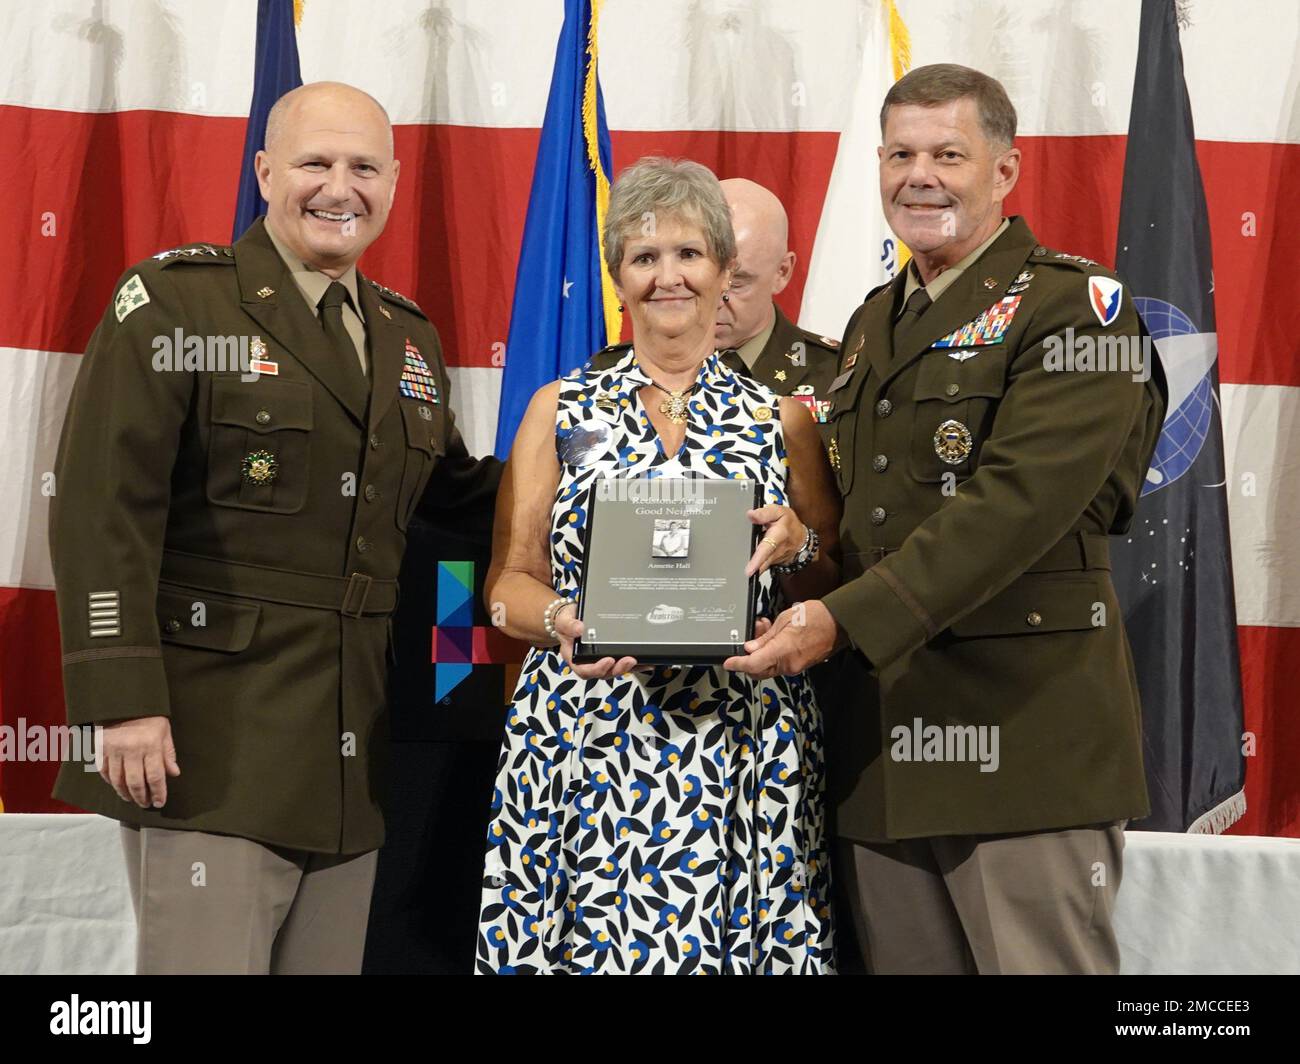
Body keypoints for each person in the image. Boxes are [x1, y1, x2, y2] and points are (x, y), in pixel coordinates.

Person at [49, 81, 500, 974]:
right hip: (212, 743)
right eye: (315, 163)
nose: (341, 187)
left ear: (395, 183)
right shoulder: (180, 306)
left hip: (352, 752)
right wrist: (122, 699)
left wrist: (601, 476)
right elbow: (103, 506)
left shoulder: (406, 338)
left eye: (365, 167)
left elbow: (450, 503)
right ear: (264, 172)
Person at [726, 64, 1167, 974]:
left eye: (948, 154)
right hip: (884, 745)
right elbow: (866, 518)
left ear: (1004, 171)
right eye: (899, 154)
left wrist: (840, 617)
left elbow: (1016, 509)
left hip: (1023, 739)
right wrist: (806, 550)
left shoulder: (1077, 310)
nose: (918, 176)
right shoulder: (872, 322)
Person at [476, 157, 842, 974]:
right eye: (644, 257)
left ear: (722, 270)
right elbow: (506, 585)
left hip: (740, 740)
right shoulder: (558, 407)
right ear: (617, 278)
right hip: (586, 735)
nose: (667, 276)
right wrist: (564, 622)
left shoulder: (782, 418)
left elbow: (829, 580)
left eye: (688, 254)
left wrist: (802, 542)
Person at [587, 177, 841, 440]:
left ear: (782, 272)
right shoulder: (607, 373)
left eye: (738, 282)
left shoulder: (837, 375)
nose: (716, 295)